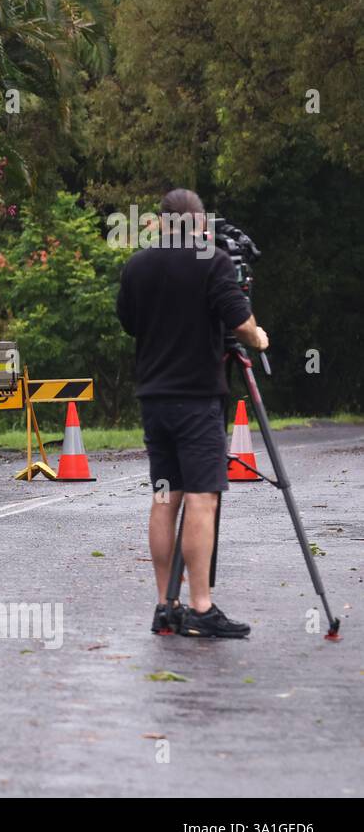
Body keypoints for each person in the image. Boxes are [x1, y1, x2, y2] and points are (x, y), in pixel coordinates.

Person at [116, 189, 269, 638]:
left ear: (162, 224)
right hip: (197, 401)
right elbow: (239, 321)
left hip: (153, 402)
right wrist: (259, 339)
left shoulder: (138, 266)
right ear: (200, 223)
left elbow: (128, 323)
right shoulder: (214, 261)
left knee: (166, 498)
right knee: (203, 497)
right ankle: (201, 609)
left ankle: (167, 604)